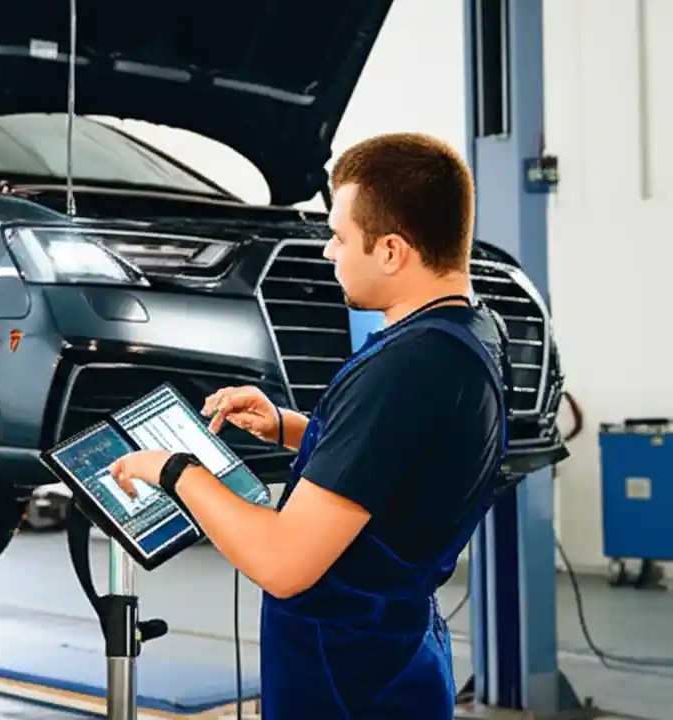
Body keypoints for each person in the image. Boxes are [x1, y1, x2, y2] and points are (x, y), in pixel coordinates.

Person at [108, 132, 512, 719]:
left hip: (345, 676)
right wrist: (287, 427)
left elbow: (284, 563)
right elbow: (402, 456)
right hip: (401, 656)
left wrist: (174, 471)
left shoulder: (406, 367)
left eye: (339, 236)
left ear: (392, 251)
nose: (329, 252)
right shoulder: (470, 337)